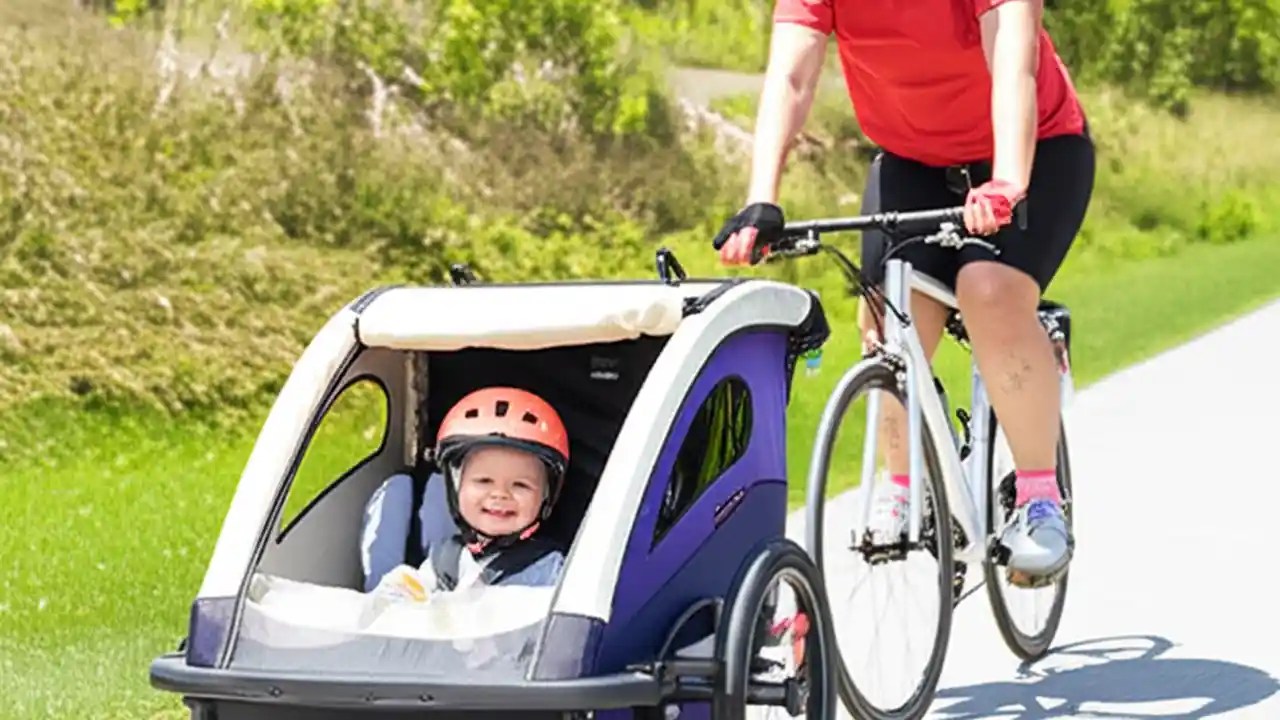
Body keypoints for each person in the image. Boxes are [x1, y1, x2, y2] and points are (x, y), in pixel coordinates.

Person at [710, 0, 1094, 587]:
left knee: (987, 289)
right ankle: (902, 483)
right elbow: (791, 75)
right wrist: (761, 196)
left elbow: (1013, 63)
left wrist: (1009, 179)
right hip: (912, 159)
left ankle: (1041, 499)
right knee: (890, 319)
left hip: (1034, 145)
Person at [361, 386, 571, 599]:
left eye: (520, 485)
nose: (500, 494)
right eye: (484, 481)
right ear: (455, 486)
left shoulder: (550, 571)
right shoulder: (443, 559)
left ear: (546, 495)